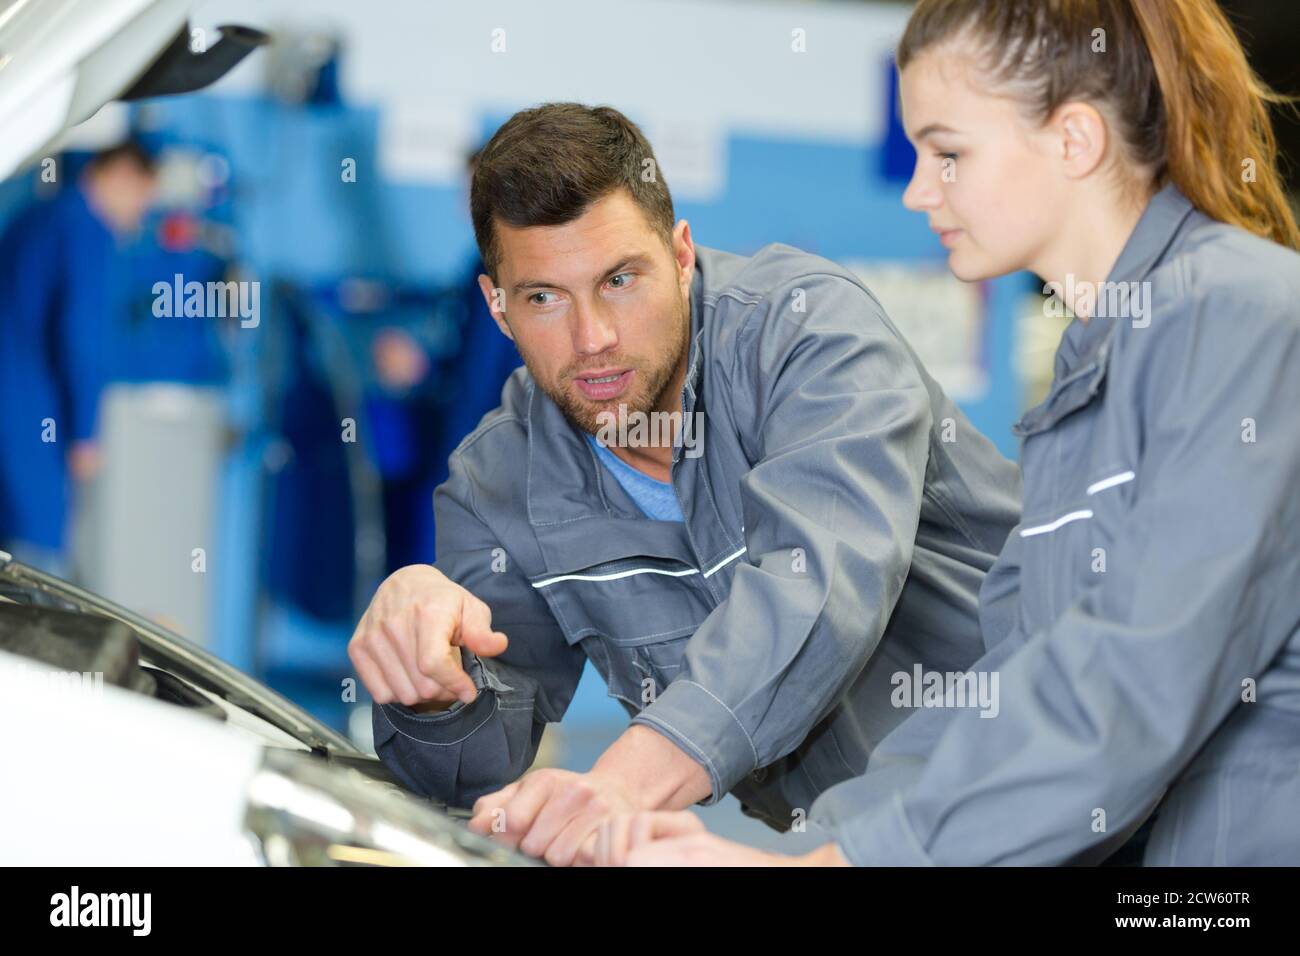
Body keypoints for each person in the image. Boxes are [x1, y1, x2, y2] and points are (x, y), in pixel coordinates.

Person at [596, 0, 1300, 866]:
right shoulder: (1092, 372)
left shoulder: (1242, 318)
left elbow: (1135, 683)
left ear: (1074, 141)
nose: (918, 189)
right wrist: (829, 853)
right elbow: (1000, 691)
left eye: (949, 153)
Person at [348, 102, 1022, 865]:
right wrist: (431, 678)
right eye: (544, 297)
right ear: (497, 308)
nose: (593, 337)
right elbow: (475, 767)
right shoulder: (497, 481)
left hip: (1083, 805)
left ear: (680, 254)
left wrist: (621, 784)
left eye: (620, 279)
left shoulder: (806, 336)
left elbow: (822, 586)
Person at [0, 140, 158, 574]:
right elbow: (82, 340)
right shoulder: (88, 232)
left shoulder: (39, 214)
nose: (139, 217)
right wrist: (85, 434)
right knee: (34, 570)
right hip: (29, 421)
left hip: (15, 409)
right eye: (143, 200)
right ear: (123, 174)